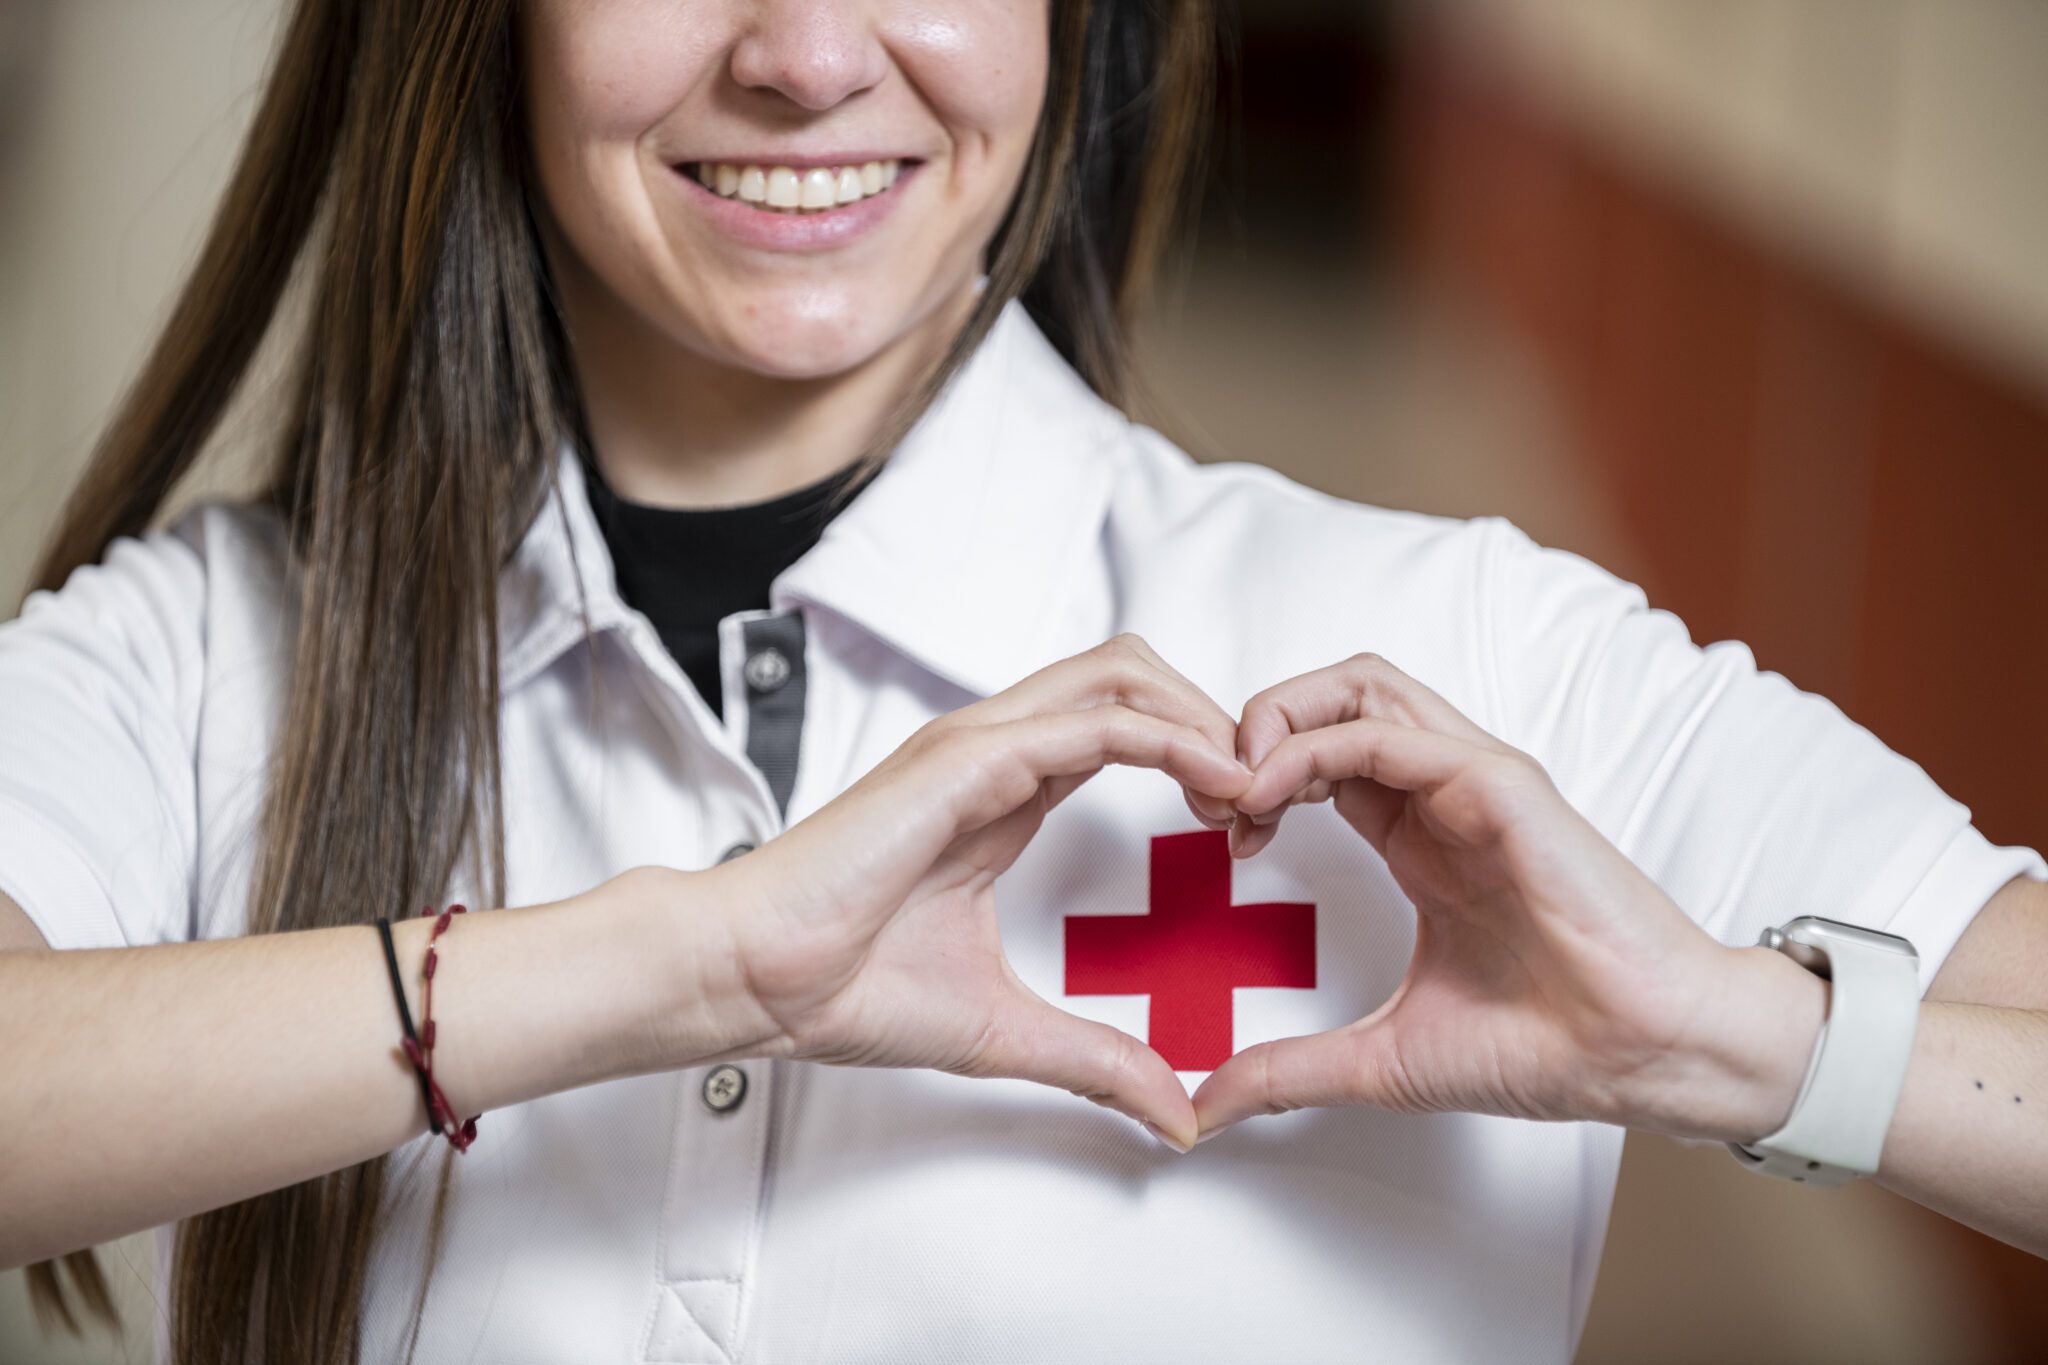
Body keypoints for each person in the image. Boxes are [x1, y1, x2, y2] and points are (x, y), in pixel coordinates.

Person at [1, 0, 2043, 1361]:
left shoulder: (1468, 668)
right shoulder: (211, 657)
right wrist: (674, 966)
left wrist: (1730, 1039)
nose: (806, 57)